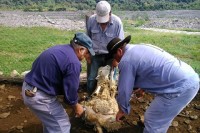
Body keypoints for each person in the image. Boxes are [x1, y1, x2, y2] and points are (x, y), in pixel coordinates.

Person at [107, 35, 199, 133]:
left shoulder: (126, 60)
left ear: (119, 52)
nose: (116, 60)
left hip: (179, 87)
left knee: (153, 120)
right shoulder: (139, 48)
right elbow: (150, 70)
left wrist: (122, 110)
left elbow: (124, 90)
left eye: (114, 57)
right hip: (187, 77)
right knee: (159, 119)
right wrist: (142, 88)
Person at [22, 32, 95, 133]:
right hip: (39, 97)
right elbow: (70, 90)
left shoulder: (62, 49)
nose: (86, 57)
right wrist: (76, 106)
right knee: (62, 125)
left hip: (29, 88)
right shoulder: (73, 63)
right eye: (87, 53)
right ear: (81, 50)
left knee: (52, 123)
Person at [86, 0, 124, 95]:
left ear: (110, 13)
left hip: (111, 56)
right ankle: (89, 97)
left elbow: (120, 44)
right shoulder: (91, 20)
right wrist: (88, 54)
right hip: (95, 54)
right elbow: (88, 38)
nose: (102, 23)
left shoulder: (117, 23)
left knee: (111, 79)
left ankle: (110, 99)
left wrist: (116, 60)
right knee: (91, 78)